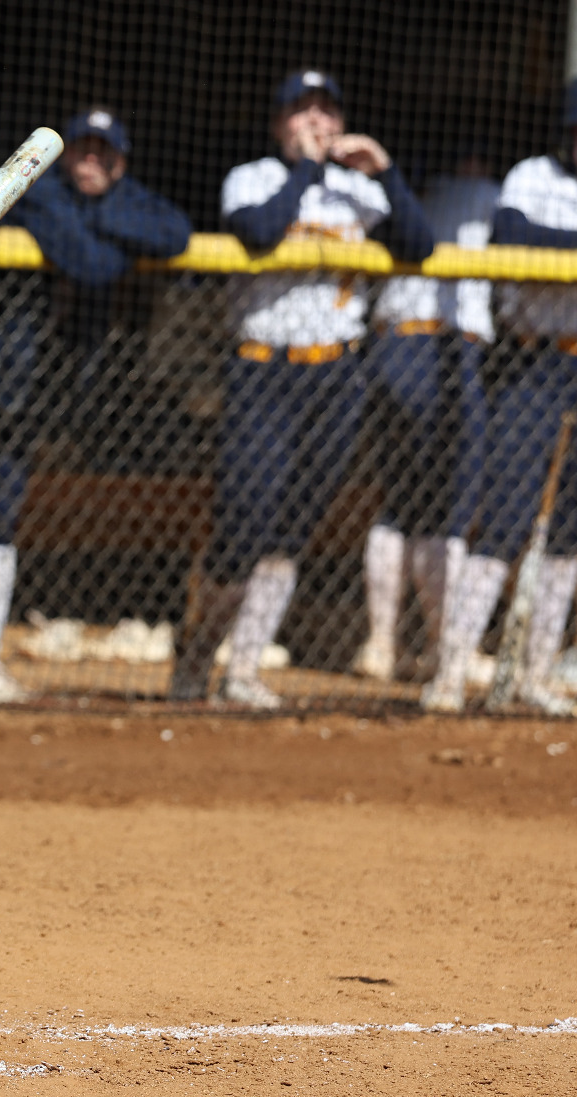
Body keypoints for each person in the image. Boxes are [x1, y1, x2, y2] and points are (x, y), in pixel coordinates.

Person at [171, 70, 433, 709]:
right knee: (242, 524)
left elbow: (420, 245)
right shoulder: (255, 177)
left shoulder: (359, 191)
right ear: (278, 124)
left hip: (337, 373)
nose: (316, 122)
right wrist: (308, 171)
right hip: (264, 369)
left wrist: (385, 172)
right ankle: (197, 657)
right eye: (301, 112)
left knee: (292, 528)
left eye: (326, 112)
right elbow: (259, 230)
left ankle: (244, 669)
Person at [0, 109, 190, 701]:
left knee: (1, 517)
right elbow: (94, 264)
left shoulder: (107, 200)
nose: (90, 161)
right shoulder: (36, 193)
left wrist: (101, 214)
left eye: (104, 153)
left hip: (35, 390)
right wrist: (109, 230)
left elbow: (176, 233)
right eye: (82, 151)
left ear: (121, 161)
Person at [424, 80, 577, 715]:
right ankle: (451, 671)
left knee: (569, 533)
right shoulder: (530, 177)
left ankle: (533, 673)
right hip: (532, 362)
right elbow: (513, 241)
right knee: (506, 520)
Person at [353, 152, 500, 687]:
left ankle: (381, 644)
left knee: (400, 502)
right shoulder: (491, 194)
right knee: (450, 507)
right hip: (446, 349)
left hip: (390, 344)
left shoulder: (412, 194)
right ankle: (446, 650)